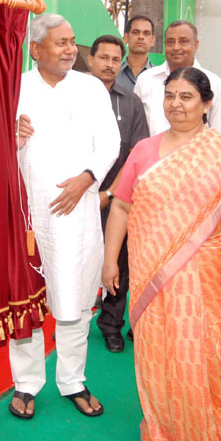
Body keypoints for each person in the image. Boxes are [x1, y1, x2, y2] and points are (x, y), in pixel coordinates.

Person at [103, 66, 221, 441]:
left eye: (186, 97)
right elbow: (122, 207)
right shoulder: (144, 150)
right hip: (150, 277)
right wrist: (110, 259)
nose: (176, 104)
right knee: (156, 361)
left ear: (207, 104)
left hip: (211, 282)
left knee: (205, 365)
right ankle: (161, 432)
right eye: (170, 95)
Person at [10, 13, 121, 419]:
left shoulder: (91, 88)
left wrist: (87, 179)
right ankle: (27, 382)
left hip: (79, 211)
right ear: (36, 49)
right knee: (28, 299)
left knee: (74, 298)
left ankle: (72, 379)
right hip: (30, 214)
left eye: (73, 41)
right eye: (61, 43)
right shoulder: (16, 87)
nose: (71, 49)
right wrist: (13, 133)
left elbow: (110, 140)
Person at [86, 34, 150, 353]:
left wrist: (110, 193)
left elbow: (137, 153)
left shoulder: (131, 101)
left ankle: (111, 324)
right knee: (80, 260)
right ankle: (77, 319)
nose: (109, 64)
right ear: (91, 60)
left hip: (118, 197)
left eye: (115, 59)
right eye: (104, 58)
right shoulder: (73, 95)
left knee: (118, 262)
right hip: (77, 195)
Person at [133, 20, 221, 135]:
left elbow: (220, 134)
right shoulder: (146, 80)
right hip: (152, 152)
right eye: (170, 42)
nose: (176, 47)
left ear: (196, 45)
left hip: (197, 152)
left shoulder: (215, 84)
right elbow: (136, 129)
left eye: (183, 42)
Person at [115, 15, 156, 92]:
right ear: (126, 38)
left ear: (152, 40)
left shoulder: (159, 77)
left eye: (146, 33)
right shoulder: (113, 73)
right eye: (135, 32)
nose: (141, 37)